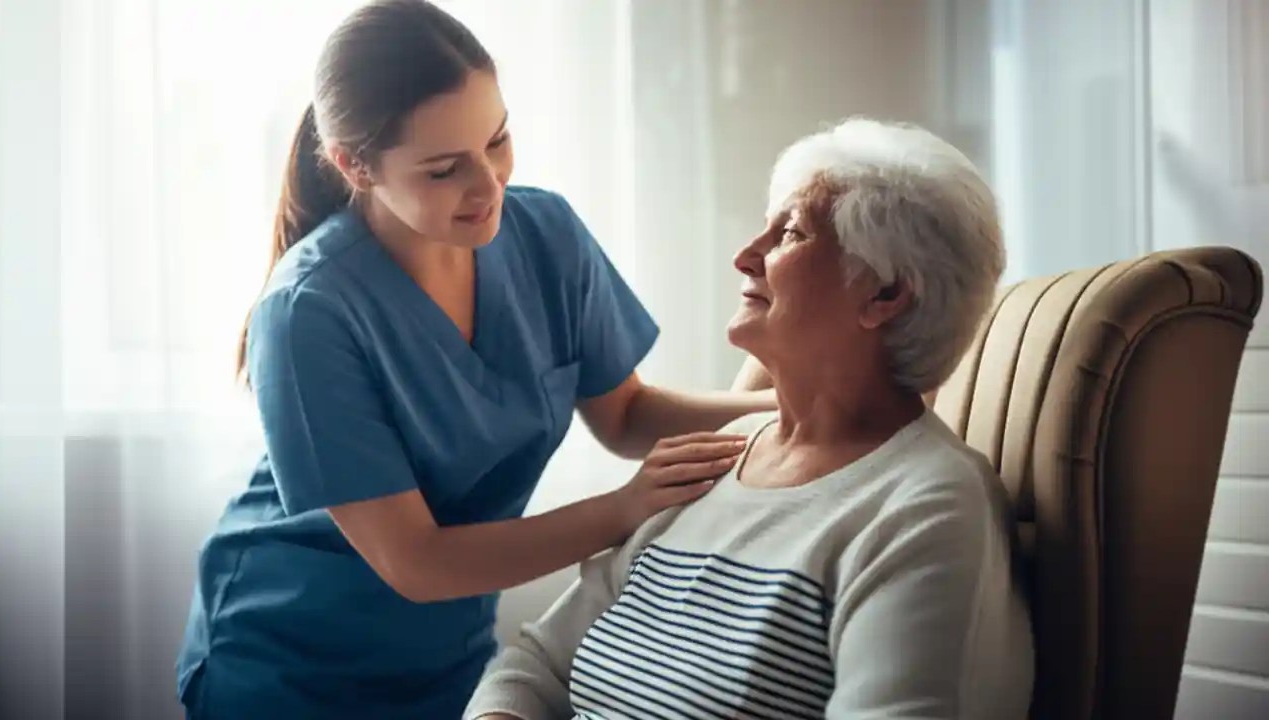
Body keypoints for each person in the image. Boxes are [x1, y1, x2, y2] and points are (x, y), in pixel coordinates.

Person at [174, 2, 775, 717]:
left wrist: (785, 405)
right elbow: (416, 563)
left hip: (447, 653)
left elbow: (627, 415)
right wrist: (623, 509)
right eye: (443, 169)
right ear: (354, 165)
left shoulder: (546, 233)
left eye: (498, 141)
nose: (488, 186)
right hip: (289, 659)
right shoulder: (308, 310)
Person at [465, 118, 1035, 720]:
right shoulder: (716, 456)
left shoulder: (927, 507)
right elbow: (535, 667)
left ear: (886, 295)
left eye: (789, 233)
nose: (745, 256)